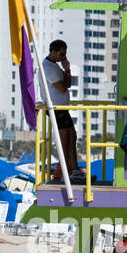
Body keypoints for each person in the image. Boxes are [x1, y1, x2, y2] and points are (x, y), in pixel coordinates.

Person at [42, 40, 78, 175]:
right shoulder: (47, 67)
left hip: (62, 108)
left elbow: (68, 84)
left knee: (72, 137)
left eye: (65, 54)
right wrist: (65, 75)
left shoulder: (56, 66)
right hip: (56, 109)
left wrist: (67, 69)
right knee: (65, 141)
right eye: (61, 54)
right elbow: (62, 88)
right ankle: (66, 171)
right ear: (53, 52)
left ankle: (73, 169)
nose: (64, 57)